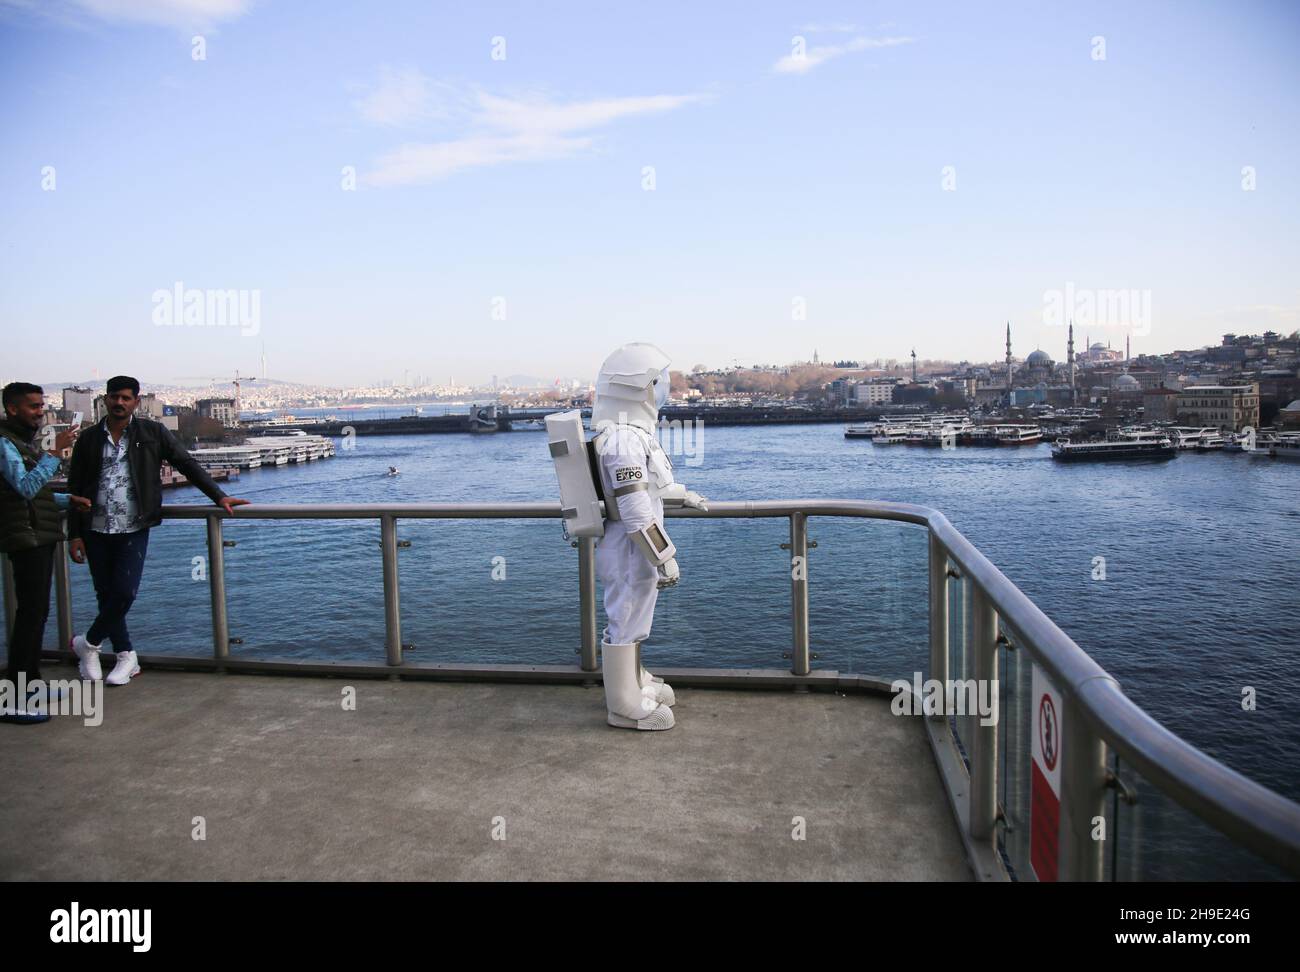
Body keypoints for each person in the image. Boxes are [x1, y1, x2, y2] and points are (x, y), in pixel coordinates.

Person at [66, 376, 250, 685]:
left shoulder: (152, 432)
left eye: (126, 398)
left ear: (136, 402)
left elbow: (185, 462)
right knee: (106, 594)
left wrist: (218, 495)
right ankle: (125, 656)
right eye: (114, 397)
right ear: (105, 401)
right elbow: (75, 488)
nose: (119, 403)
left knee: (124, 592)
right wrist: (74, 533)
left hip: (134, 524)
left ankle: (87, 644)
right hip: (95, 526)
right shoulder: (88, 439)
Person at [589, 343, 708, 731]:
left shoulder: (630, 436)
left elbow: (650, 487)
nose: (665, 389)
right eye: (658, 382)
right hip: (628, 549)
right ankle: (622, 706)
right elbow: (635, 507)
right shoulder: (622, 440)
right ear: (637, 388)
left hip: (631, 549)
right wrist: (663, 555)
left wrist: (683, 494)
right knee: (624, 620)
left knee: (633, 618)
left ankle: (636, 681)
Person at [0, 383, 92, 724]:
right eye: (33, 407)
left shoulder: (19, 441)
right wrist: (54, 455)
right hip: (25, 537)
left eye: (42, 406)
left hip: (36, 534)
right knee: (29, 615)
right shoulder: (4, 443)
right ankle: (12, 697)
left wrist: (68, 500)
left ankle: (31, 685)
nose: (39, 412)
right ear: (12, 408)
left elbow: (31, 494)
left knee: (37, 613)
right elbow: (24, 488)